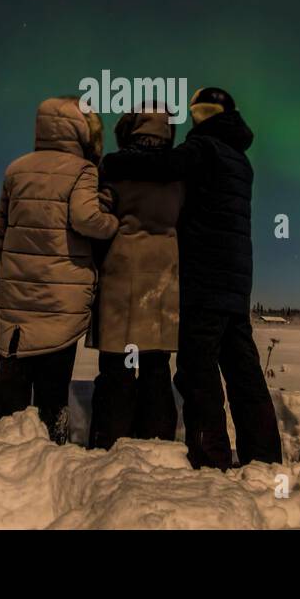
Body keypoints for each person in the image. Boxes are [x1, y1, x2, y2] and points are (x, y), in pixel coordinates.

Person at [99, 87, 282, 470]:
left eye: (205, 110)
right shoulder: (240, 160)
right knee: (242, 370)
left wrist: (113, 163)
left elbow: (159, 166)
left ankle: (209, 456)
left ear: (219, 115)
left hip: (203, 281)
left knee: (198, 372)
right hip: (235, 284)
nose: (198, 117)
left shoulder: (204, 150)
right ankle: (264, 456)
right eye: (196, 109)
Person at [0, 96, 119, 443]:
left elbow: (1, 230)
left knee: (12, 372)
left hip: (18, 293)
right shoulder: (81, 171)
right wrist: (112, 222)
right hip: (60, 296)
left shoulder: (16, 169)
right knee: (53, 379)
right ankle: (50, 443)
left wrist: (11, 270)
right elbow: (86, 218)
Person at [87, 106, 185, 449]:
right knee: (156, 365)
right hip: (164, 280)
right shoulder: (179, 173)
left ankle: (109, 441)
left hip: (122, 275)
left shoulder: (114, 167)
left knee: (118, 365)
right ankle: (157, 442)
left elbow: (98, 218)